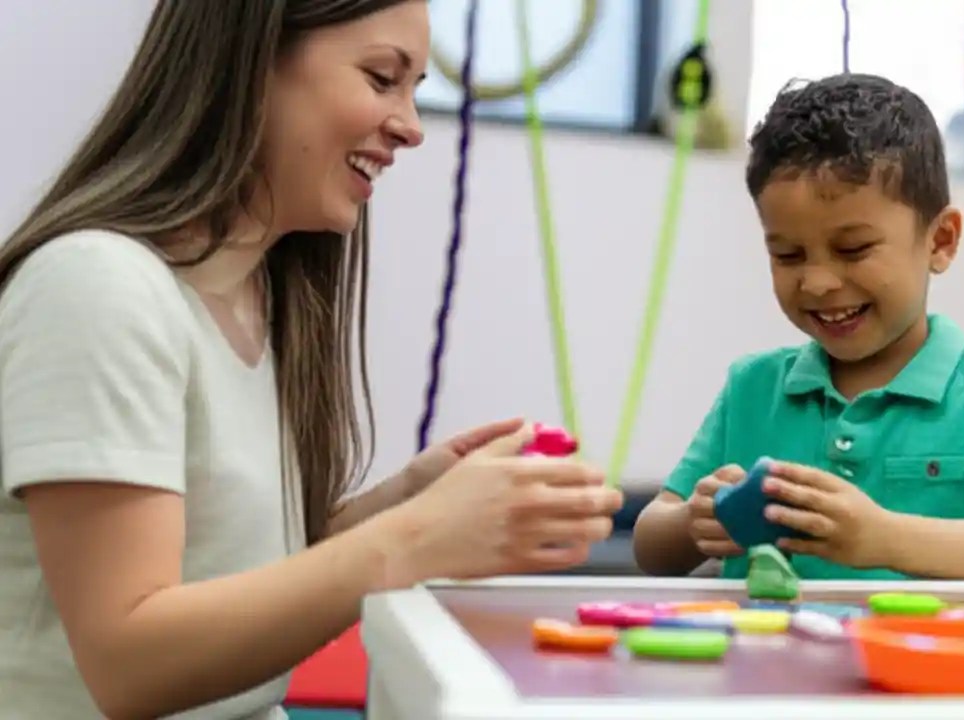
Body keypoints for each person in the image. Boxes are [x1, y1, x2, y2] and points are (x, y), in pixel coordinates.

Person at [0, 2, 622, 718]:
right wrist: (418, 537)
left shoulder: (258, 299)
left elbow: (229, 574)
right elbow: (129, 662)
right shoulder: (96, 286)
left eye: (415, 88)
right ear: (254, 57)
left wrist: (410, 499)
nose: (411, 126)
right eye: (383, 77)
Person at [632, 73, 964, 584]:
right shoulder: (753, 387)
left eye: (853, 249)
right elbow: (651, 544)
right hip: (771, 661)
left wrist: (883, 537)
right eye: (787, 254)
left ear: (940, 241)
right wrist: (690, 524)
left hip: (933, 662)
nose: (817, 282)